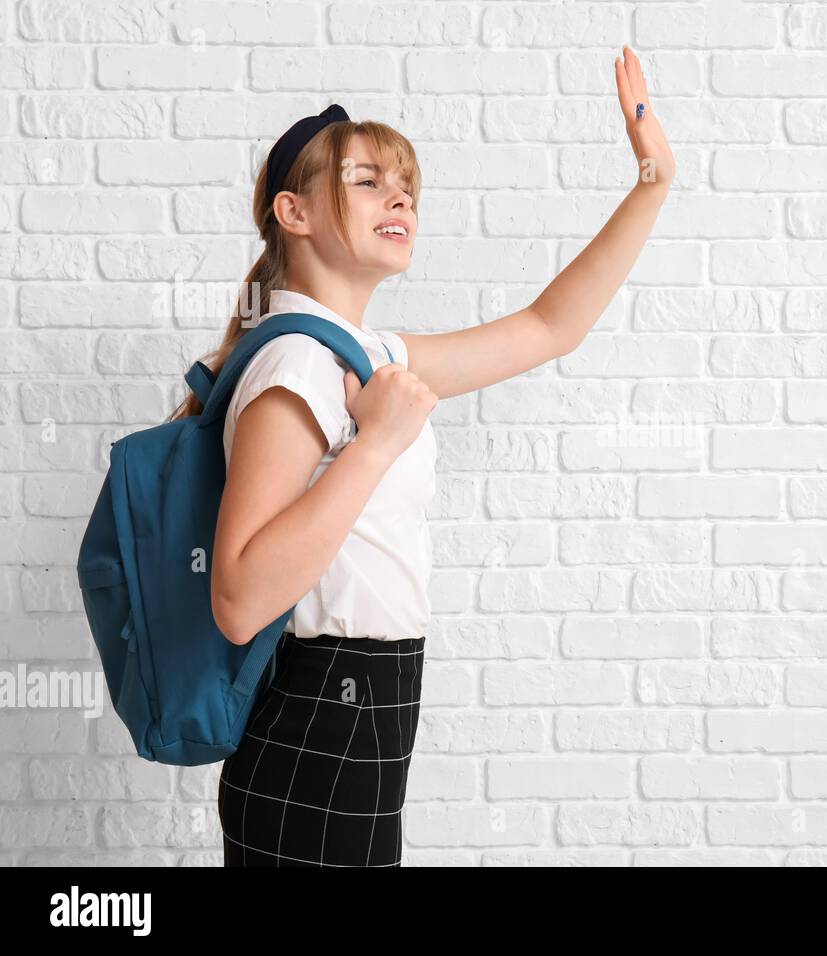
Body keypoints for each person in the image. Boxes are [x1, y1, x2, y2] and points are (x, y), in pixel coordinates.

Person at [163, 45, 675, 866]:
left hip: (358, 725)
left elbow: (549, 328)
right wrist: (378, 445)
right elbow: (238, 595)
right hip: (318, 725)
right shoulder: (295, 364)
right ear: (293, 213)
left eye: (405, 183)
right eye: (366, 180)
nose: (399, 195)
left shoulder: (364, 354)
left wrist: (652, 186)